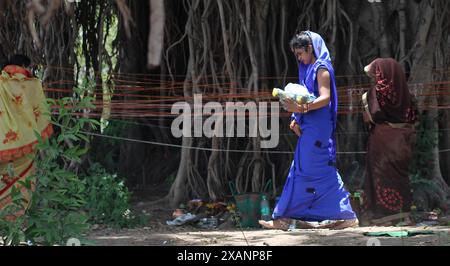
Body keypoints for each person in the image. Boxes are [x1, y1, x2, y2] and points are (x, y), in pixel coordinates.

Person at [259, 31, 358, 230]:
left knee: (302, 170)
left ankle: (284, 218)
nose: (298, 58)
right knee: (318, 171)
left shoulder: (322, 69)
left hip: (318, 129)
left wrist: (301, 109)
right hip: (310, 126)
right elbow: (305, 96)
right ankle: (345, 215)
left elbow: (324, 98)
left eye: (300, 53)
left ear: (310, 48)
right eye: (296, 54)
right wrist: (296, 118)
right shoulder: (307, 69)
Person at [360, 58, 417, 222]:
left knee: (381, 176)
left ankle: (382, 215)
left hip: (382, 141)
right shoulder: (407, 94)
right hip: (403, 141)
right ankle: (402, 213)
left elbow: (369, 118)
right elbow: (414, 117)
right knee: (400, 177)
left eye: (374, 75)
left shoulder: (374, 94)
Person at [0, 54, 52, 219]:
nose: (31, 71)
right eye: (30, 67)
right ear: (23, 65)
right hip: (24, 143)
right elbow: (40, 111)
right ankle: (12, 222)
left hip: (3, 144)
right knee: (22, 181)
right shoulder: (29, 84)